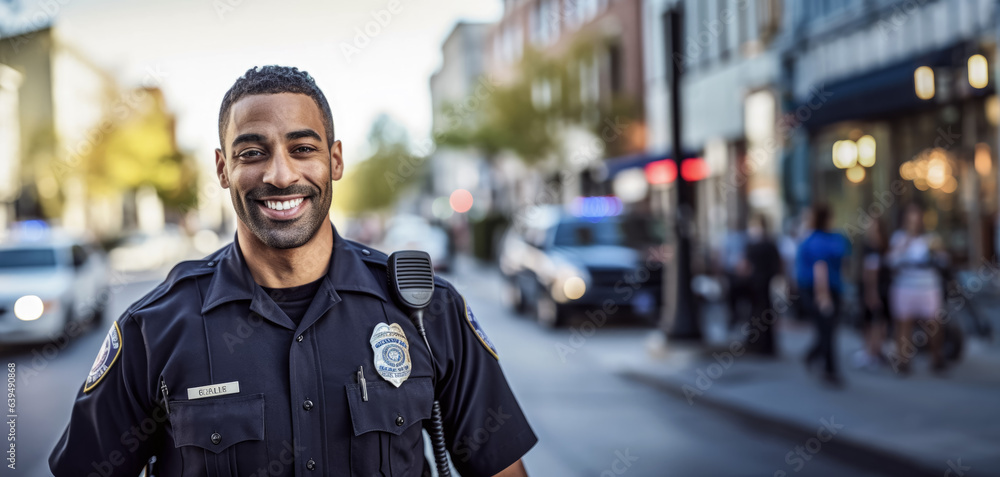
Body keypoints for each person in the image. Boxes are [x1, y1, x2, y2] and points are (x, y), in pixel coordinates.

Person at [49, 66, 536, 477]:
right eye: (251, 153)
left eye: (302, 148)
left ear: (335, 159)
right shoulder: (154, 328)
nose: (280, 175)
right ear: (222, 169)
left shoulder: (429, 310)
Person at [886, 202, 948, 374]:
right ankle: (903, 360)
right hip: (905, 287)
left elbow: (943, 260)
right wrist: (905, 243)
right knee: (904, 324)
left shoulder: (931, 238)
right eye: (909, 215)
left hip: (928, 287)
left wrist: (936, 252)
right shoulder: (898, 238)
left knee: (933, 324)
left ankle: (937, 358)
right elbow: (891, 262)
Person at [797, 204, 849, 386]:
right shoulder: (815, 240)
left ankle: (813, 356)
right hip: (819, 290)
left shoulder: (834, 237)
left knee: (828, 329)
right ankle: (829, 369)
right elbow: (820, 269)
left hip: (833, 288)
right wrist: (823, 296)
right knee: (826, 329)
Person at [853, 219, 891, 370]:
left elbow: (872, 274)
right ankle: (871, 351)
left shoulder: (880, 248)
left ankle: (874, 352)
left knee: (878, 322)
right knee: (871, 321)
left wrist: (872, 293)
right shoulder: (869, 248)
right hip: (872, 290)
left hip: (879, 290)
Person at [743, 214, 783, 356]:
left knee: (758, 313)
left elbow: (745, 266)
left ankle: (759, 343)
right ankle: (762, 344)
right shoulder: (766, 244)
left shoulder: (756, 244)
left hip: (759, 284)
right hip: (762, 284)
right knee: (762, 313)